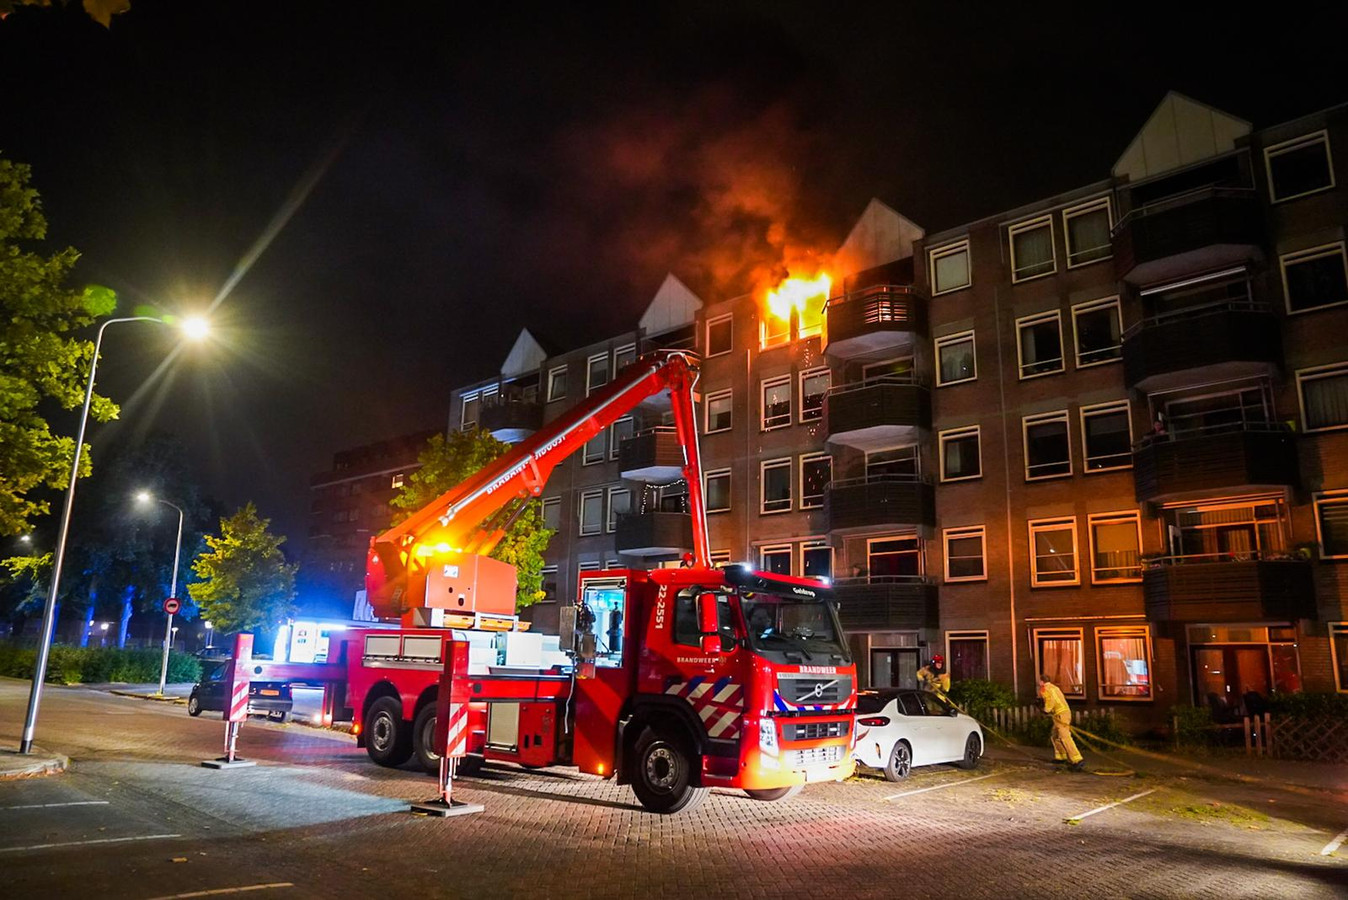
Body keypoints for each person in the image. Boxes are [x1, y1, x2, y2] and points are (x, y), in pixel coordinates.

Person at [1038, 673, 1084, 770]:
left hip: (1060, 715)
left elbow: (1050, 700)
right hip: (1063, 714)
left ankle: (1077, 759)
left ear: (1042, 681)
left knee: (1065, 737)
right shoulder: (1054, 687)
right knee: (1055, 735)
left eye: (1039, 681)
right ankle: (1061, 756)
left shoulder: (1045, 689)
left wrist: (1045, 710)